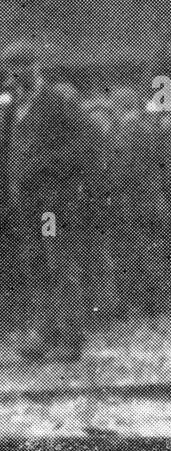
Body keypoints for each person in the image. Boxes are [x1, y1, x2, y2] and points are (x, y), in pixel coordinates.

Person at [1, 41, 95, 362]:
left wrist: (43, 166)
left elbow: (86, 145)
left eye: (21, 70)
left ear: (35, 67)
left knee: (57, 259)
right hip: (24, 205)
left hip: (51, 204)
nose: (14, 78)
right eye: (10, 72)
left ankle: (69, 336)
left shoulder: (55, 102)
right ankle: (44, 333)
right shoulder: (13, 109)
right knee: (36, 264)